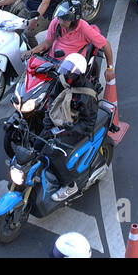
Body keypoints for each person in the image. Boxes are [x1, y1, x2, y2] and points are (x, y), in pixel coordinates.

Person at [44, 52, 100, 202]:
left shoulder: (87, 95)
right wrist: (48, 124)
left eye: (70, 74)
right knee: (38, 143)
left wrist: (68, 131)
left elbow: (88, 124)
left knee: (54, 154)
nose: (66, 77)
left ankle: (69, 185)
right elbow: (52, 102)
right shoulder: (63, 80)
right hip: (60, 122)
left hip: (74, 128)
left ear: (79, 75)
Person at [28, 0, 117, 82]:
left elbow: (106, 44)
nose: (59, 21)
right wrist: (32, 51)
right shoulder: (56, 22)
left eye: (63, 20)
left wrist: (110, 68)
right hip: (51, 64)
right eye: (59, 18)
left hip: (71, 70)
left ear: (73, 21)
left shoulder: (84, 28)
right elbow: (47, 42)